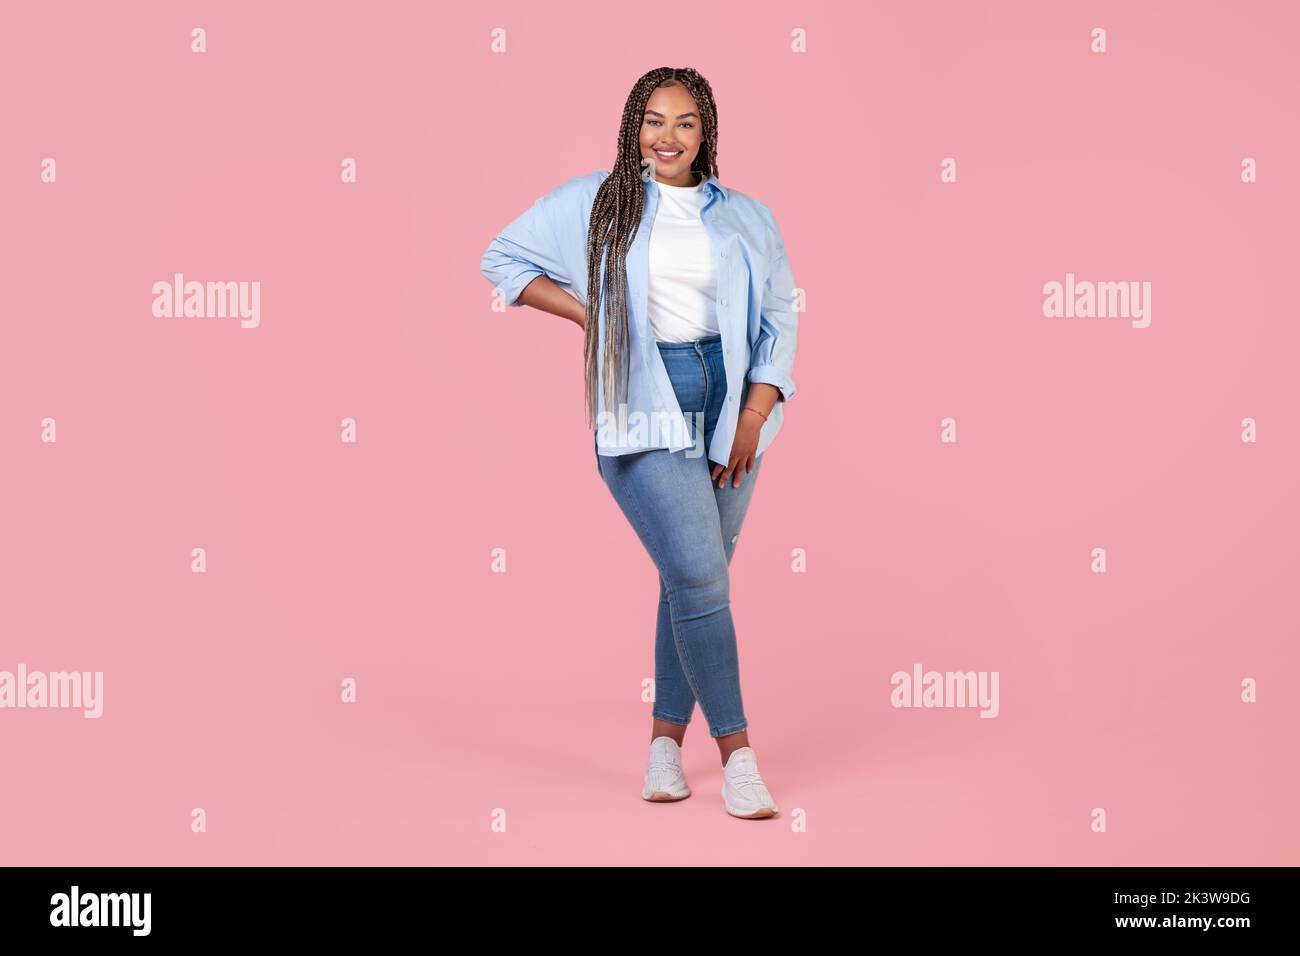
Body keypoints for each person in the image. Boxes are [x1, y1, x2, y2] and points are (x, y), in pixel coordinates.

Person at [480, 67, 799, 819]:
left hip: (729, 398)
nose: (667, 137)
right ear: (634, 127)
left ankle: (663, 744)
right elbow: (502, 257)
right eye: (653, 121)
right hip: (642, 399)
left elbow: (782, 313)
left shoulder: (747, 216)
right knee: (700, 575)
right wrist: (589, 313)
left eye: (684, 122)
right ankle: (739, 754)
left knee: (690, 581)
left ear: (705, 131)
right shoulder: (598, 201)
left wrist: (753, 413)